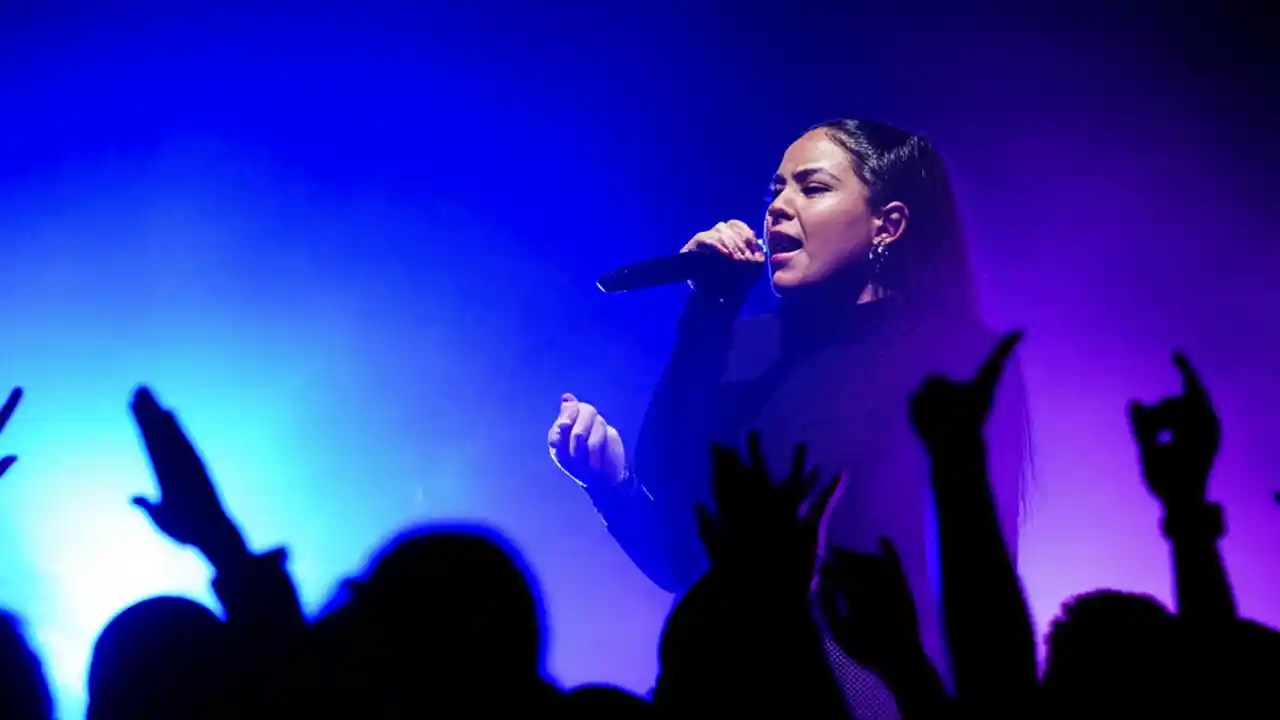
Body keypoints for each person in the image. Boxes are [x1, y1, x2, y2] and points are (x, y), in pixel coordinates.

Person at [547, 118, 1027, 688]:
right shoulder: (747, 347)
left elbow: (969, 575)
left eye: (812, 188)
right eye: (775, 190)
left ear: (888, 224)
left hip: (873, 685)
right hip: (731, 684)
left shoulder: (950, 361)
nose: (777, 207)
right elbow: (684, 557)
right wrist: (614, 483)